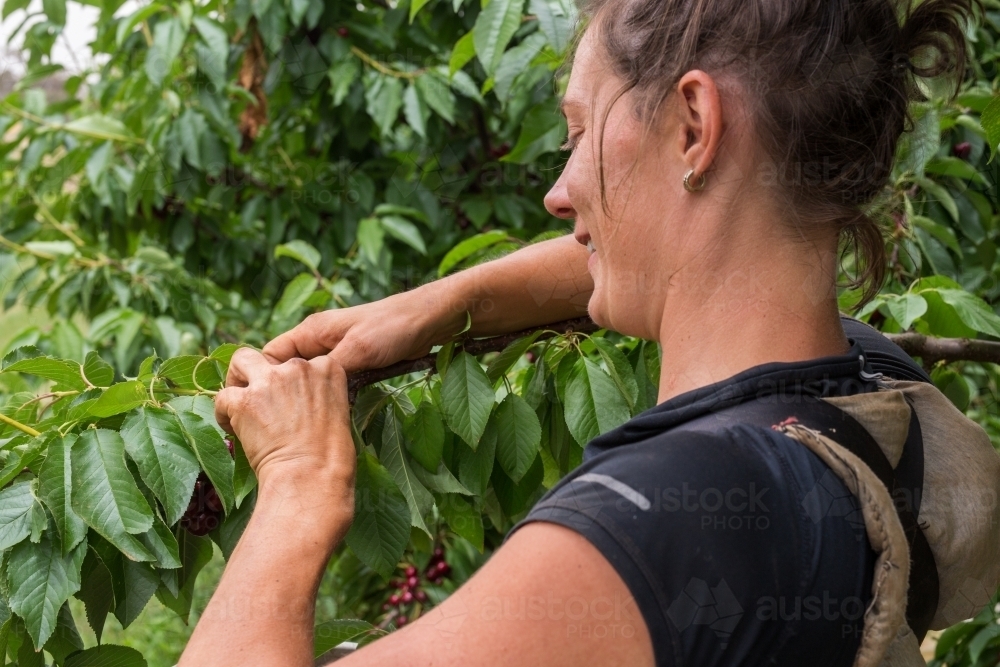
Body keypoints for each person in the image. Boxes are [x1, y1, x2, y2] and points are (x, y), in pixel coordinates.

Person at [182, 0, 978, 664]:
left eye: (578, 131)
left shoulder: (653, 525)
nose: (559, 196)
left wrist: (299, 482)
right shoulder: (868, 389)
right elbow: (712, 259)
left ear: (694, 126)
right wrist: (444, 302)